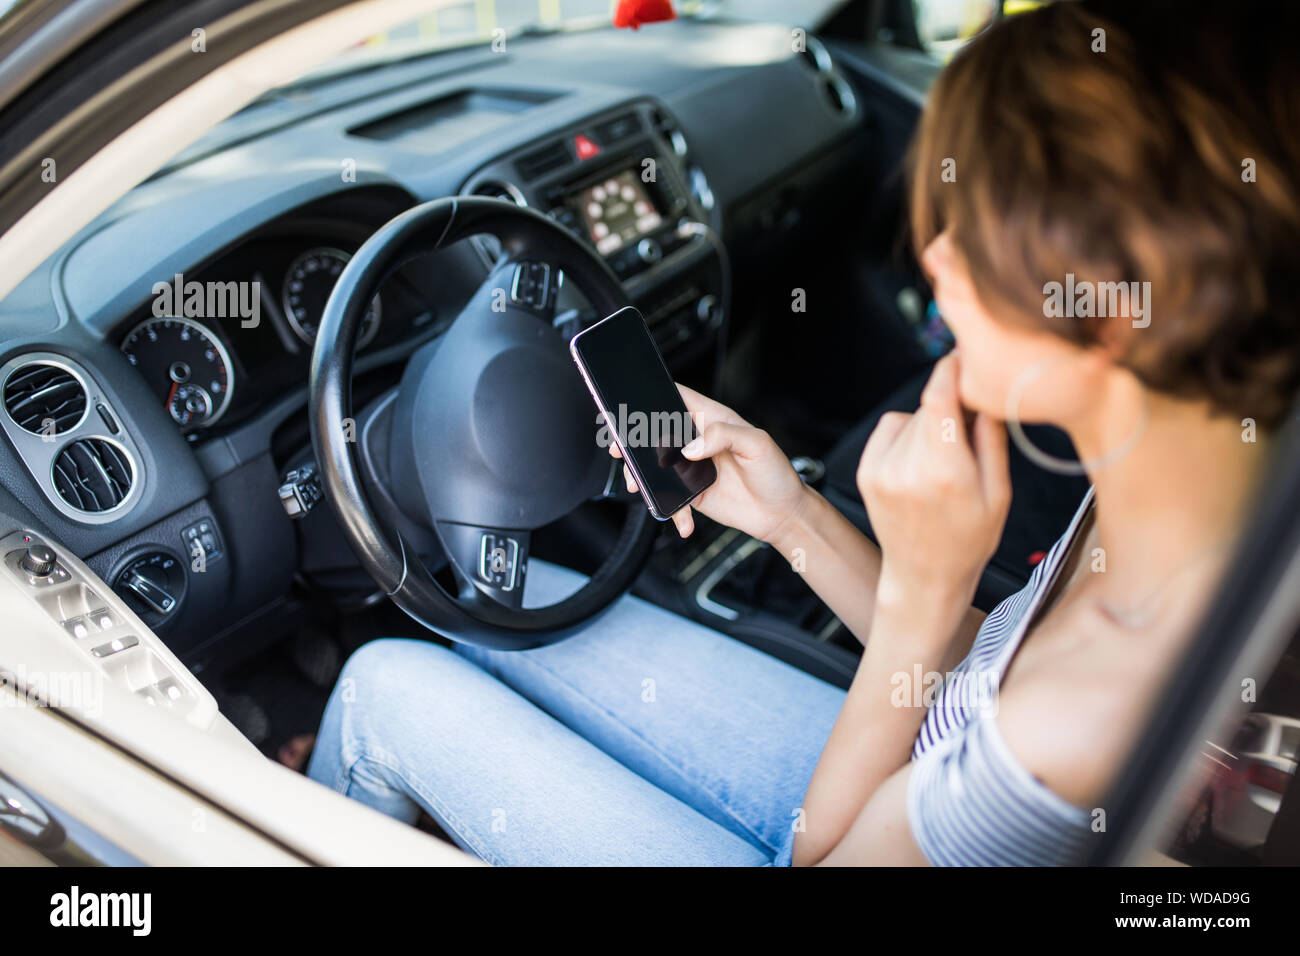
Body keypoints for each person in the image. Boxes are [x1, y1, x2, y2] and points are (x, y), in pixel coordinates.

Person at [307, 1, 1300, 865]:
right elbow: (977, 686)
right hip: (917, 768)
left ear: (1112, 310)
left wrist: (922, 586)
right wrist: (791, 514)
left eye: (984, 228)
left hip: (858, 822)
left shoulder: (1086, 720)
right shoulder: (1180, 500)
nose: (940, 254)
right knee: (505, 603)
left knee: (385, 680)